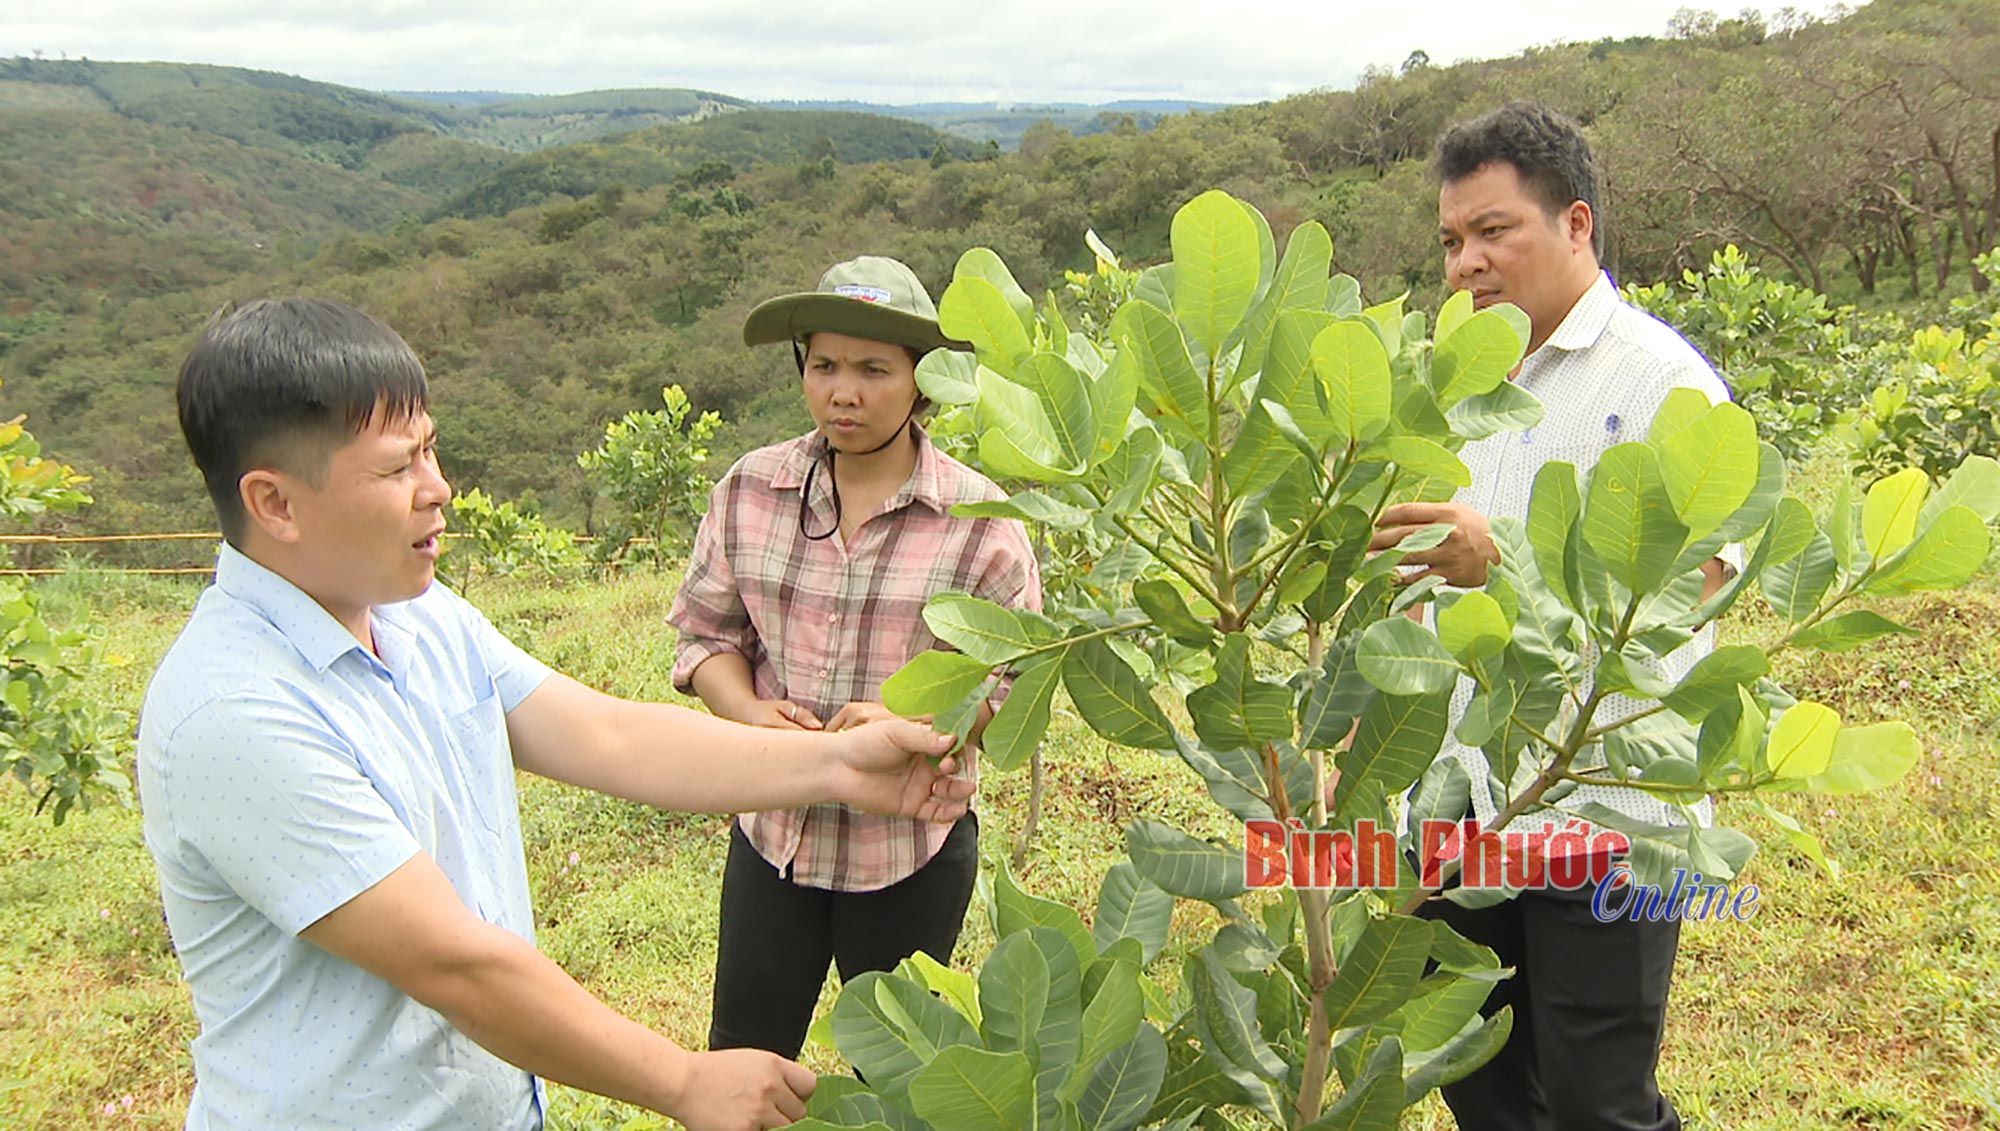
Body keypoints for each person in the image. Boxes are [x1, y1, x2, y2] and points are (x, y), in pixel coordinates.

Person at [139, 296, 979, 1131]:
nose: (441, 490)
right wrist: (682, 1079)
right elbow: (454, 963)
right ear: (276, 503)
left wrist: (838, 765)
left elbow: (608, 733)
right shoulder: (234, 712)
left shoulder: (415, 616)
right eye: (399, 469)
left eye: (431, 452)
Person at [1366, 102, 1737, 1131]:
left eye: (1493, 231)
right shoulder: (1453, 389)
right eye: (1448, 241)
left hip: (1606, 815)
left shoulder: (1661, 382)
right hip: (1462, 805)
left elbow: (1699, 587)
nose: (1464, 265)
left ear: (1575, 224)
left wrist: (1506, 563)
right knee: (1475, 1079)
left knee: (1594, 1102)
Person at [669, 255, 1041, 1058]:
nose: (845, 391)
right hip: (773, 831)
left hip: (908, 844)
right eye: (825, 364)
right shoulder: (751, 491)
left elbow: (1020, 681)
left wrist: (926, 718)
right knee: (745, 1057)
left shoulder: (981, 524)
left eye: (875, 369)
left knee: (898, 1078)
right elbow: (706, 633)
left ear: (923, 382)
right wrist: (744, 711)